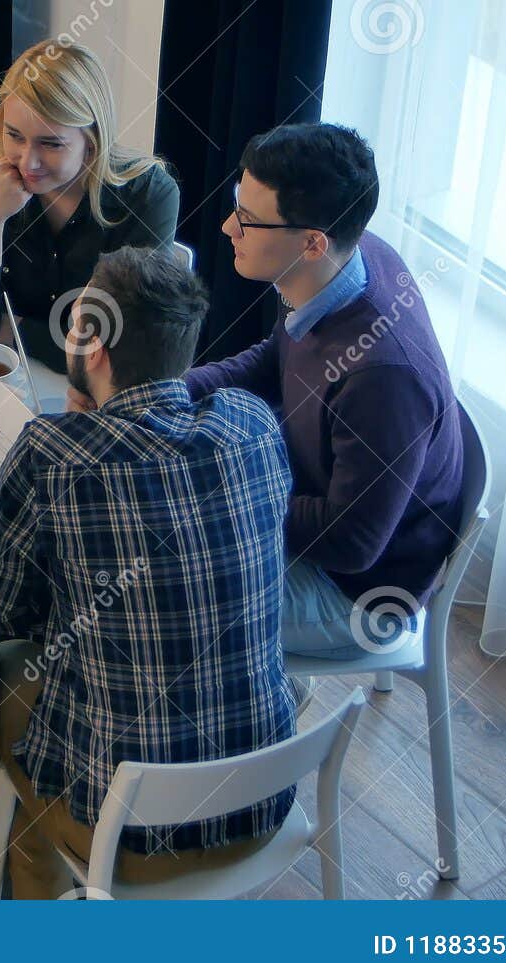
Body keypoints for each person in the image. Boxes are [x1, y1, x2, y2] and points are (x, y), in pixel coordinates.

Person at [0, 245, 297, 899]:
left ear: (92, 346)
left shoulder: (48, 452)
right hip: (263, 801)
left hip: (129, 836)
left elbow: (0, 609)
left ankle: (31, 891)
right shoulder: (253, 422)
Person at [183, 123, 463, 660]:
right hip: (317, 493)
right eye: (235, 205)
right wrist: (173, 390)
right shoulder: (344, 261)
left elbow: (350, 543)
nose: (227, 227)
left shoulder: (383, 381)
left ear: (313, 242)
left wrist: (226, 492)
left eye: (248, 219)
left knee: (160, 596)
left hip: (357, 596)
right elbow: (275, 359)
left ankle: (258, 716)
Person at [0, 40, 179, 374]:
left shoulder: (149, 195)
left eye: (50, 143)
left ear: (92, 139)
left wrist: (16, 330)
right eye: (14, 135)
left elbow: (126, 349)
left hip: (88, 392)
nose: (28, 161)